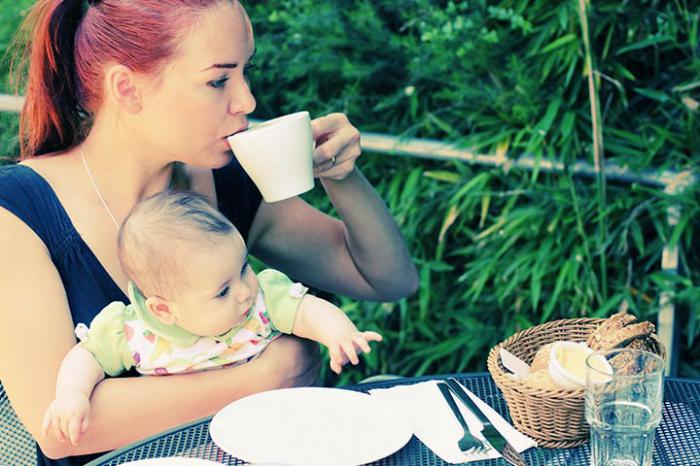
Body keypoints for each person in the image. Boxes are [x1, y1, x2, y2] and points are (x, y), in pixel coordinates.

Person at [0, 0, 418, 464]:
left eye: (244, 73)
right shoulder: (17, 212)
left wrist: (343, 178)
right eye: (219, 80)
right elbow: (59, 430)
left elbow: (387, 280)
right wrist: (262, 379)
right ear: (127, 88)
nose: (247, 101)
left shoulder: (227, 181)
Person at [41, 191, 383, 446]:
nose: (243, 292)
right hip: (191, 444)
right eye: (222, 291)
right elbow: (87, 355)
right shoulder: (133, 331)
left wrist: (338, 333)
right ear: (164, 310)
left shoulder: (260, 301)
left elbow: (305, 310)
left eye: (244, 268)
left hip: (274, 429)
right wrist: (72, 394)